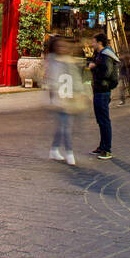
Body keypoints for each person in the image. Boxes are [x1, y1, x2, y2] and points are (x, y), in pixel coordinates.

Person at [46, 34, 88, 165]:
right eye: (59, 46)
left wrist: (81, 92)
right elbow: (52, 80)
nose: (62, 48)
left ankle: (54, 149)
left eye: (64, 46)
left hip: (70, 97)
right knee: (66, 127)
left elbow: (75, 79)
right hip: (60, 98)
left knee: (62, 127)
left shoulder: (69, 61)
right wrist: (53, 98)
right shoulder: (53, 61)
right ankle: (69, 153)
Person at [87, 31, 119, 159]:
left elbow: (106, 73)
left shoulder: (106, 55)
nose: (92, 44)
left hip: (103, 91)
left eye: (94, 42)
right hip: (99, 90)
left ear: (99, 43)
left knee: (104, 121)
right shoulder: (101, 54)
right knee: (101, 120)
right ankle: (102, 146)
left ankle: (107, 149)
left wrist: (94, 67)